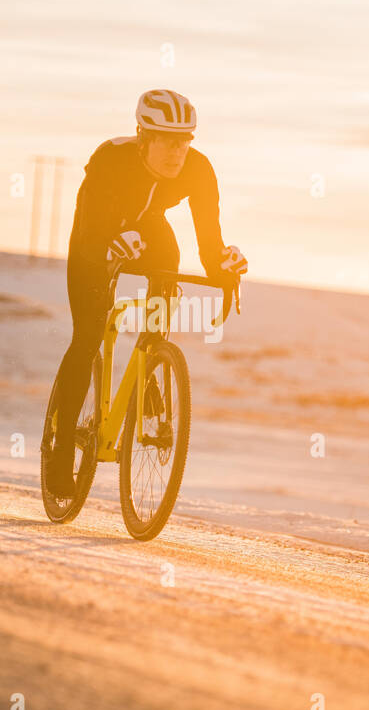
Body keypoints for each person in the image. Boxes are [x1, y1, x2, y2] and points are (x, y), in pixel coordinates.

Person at [46, 89, 248, 499]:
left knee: (168, 258)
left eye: (185, 141)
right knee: (87, 338)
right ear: (143, 138)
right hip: (95, 232)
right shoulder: (110, 160)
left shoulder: (199, 169)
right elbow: (90, 236)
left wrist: (224, 267)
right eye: (168, 141)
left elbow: (210, 242)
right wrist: (108, 246)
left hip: (149, 231)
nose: (178, 152)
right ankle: (61, 450)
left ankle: (149, 358)